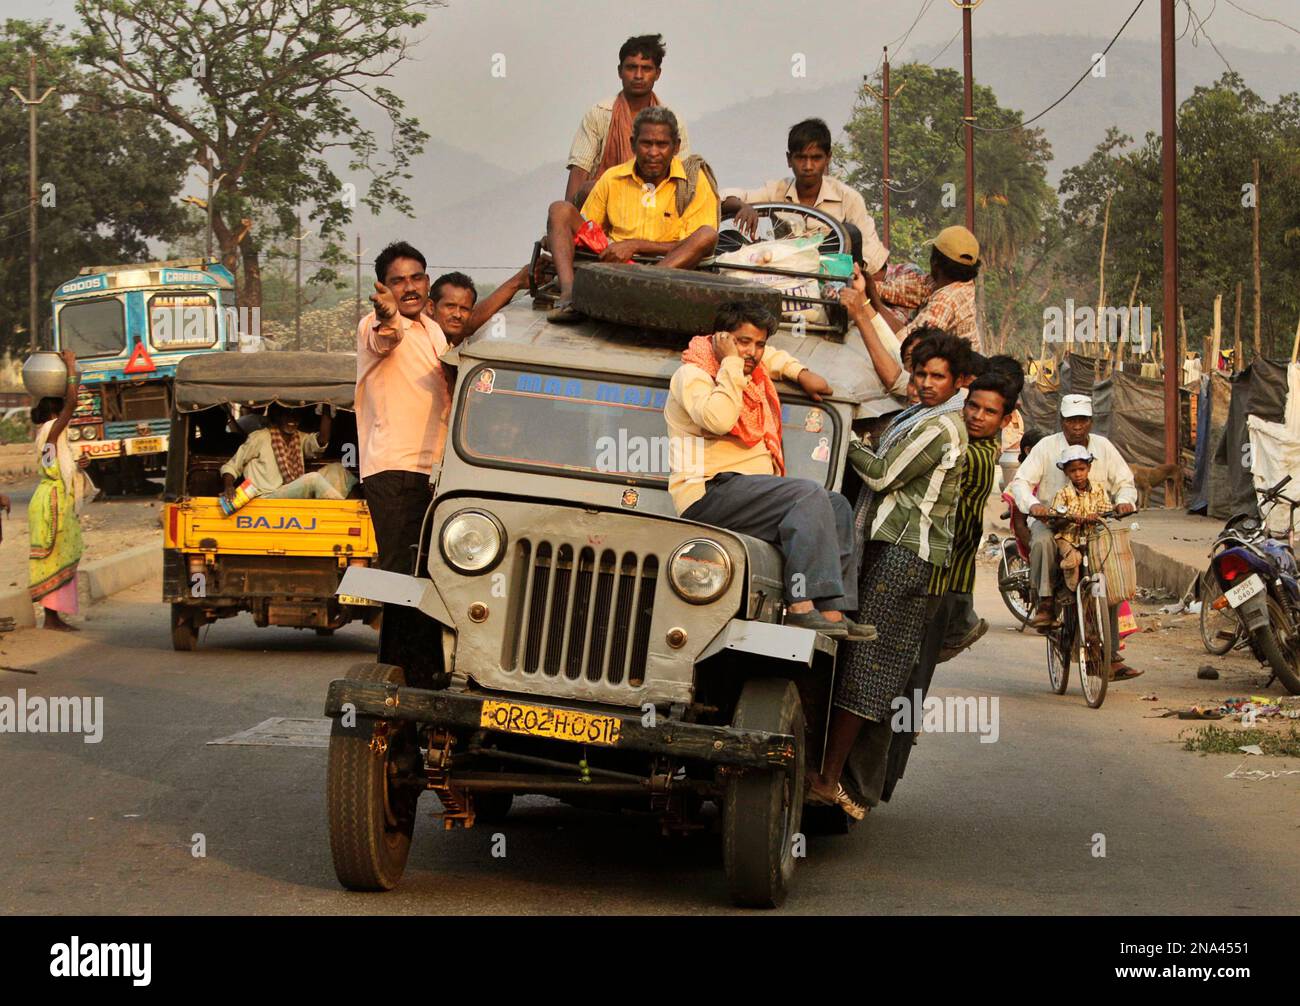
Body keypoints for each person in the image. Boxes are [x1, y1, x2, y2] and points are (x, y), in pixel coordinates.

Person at [807, 330, 973, 817]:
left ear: (957, 382)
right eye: (921, 374)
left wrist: (843, 435)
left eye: (936, 376)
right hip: (894, 550)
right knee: (864, 661)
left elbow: (880, 474)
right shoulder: (919, 415)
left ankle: (829, 777)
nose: (925, 383)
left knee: (869, 665)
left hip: (905, 554)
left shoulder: (940, 428)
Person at [665, 300, 872, 639]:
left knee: (836, 506)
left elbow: (771, 359)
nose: (752, 352)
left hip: (745, 492)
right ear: (721, 339)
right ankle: (801, 606)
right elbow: (718, 419)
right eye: (742, 341)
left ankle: (833, 612)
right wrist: (731, 364)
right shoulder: (694, 375)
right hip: (707, 491)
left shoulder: (751, 370)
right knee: (805, 495)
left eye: (759, 344)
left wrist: (799, 373)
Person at [1008, 394, 1140, 679]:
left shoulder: (1104, 448)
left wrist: (1125, 501)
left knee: (1111, 574)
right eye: (1071, 421)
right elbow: (1020, 482)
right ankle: (1045, 602)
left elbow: (1125, 482)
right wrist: (1035, 506)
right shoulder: (1046, 447)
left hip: (1093, 523)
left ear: (1090, 422)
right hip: (1055, 523)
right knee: (1041, 540)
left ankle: (1111, 654)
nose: (1076, 427)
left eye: (1081, 421)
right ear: (1062, 421)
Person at [546, 106, 718, 321]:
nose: (653, 152)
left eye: (662, 145)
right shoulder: (613, 178)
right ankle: (570, 295)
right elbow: (589, 231)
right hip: (614, 264)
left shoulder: (694, 181)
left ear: (676, 147)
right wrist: (558, 237)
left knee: (707, 234)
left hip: (668, 270)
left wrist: (635, 245)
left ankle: (641, 289)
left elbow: (697, 243)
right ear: (633, 145)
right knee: (559, 209)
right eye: (646, 143)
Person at [356, 241, 452, 573]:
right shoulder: (374, 323)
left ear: (428, 283)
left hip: (436, 474)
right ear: (383, 287)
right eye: (398, 281)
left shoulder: (434, 329)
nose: (410, 287)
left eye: (417, 278)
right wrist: (386, 313)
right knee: (401, 579)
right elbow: (387, 334)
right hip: (396, 472)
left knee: (430, 578)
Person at [937, 362, 1024, 661]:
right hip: (954, 570)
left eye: (989, 412)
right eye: (972, 407)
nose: (977, 416)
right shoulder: (972, 446)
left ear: (1005, 419)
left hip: (947, 574)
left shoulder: (971, 454)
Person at [565, 33, 691, 205]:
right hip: (604, 203)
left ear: (657, 73)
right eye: (631, 67)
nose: (638, 75)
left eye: (646, 68)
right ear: (620, 71)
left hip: (655, 204)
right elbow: (580, 171)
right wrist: (569, 216)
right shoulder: (600, 114)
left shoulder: (672, 121)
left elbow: (683, 175)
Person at [720, 118, 882, 251]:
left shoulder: (848, 198)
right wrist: (742, 206)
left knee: (850, 232)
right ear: (789, 159)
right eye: (801, 158)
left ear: (828, 158)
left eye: (816, 158)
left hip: (829, 272)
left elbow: (870, 251)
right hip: (785, 269)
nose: (808, 166)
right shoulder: (777, 190)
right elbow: (723, 197)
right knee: (724, 238)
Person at [28, 350, 93, 631]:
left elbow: (56, 462)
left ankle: (53, 616)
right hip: (53, 501)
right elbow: (73, 401)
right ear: (57, 411)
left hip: (49, 498)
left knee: (58, 555)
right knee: (56, 555)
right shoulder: (53, 429)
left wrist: (78, 464)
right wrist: (69, 366)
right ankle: (52, 619)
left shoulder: (48, 433)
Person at [861, 225, 982, 351]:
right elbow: (908, 290)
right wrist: (871, 285)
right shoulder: (949, 282)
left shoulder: (946, 301)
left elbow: (908, 344)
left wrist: (873, 302)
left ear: (934, 261)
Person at [220, 404, 347, 501]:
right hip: (265, 497)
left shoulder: (299, 437)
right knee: (313, 479)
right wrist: (228, 487)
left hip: (289, 493)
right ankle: (341, 512)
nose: (292, 418)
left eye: (296, 413)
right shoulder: (260, 437)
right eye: (287, 413)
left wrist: (326, 407)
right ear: (277, 415)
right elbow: (231, 466)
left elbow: (322, 440)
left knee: (337, 468)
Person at [1049, 445, 1113, 591]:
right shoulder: (1063, 493)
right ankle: (1069, 590)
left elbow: (1107, 510)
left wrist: (1096, 516)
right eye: (1073, 470)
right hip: (1068, 538)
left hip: (1091, 536)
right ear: (1066, 472)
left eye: (1081, 469)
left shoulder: (1098, 489)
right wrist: (1069, 518)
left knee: (1103, 560)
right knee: (1074, 559)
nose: (1078, 474)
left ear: (1089, 468)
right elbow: (1054, 520)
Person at [426, 268, 532, 347]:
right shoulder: (419, 344)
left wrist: (519, 282)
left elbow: (473, 322)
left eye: (464, 309)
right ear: (431, 307)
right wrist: (517, 282)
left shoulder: (447, 345)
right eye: (450, 306)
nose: (457, 315)